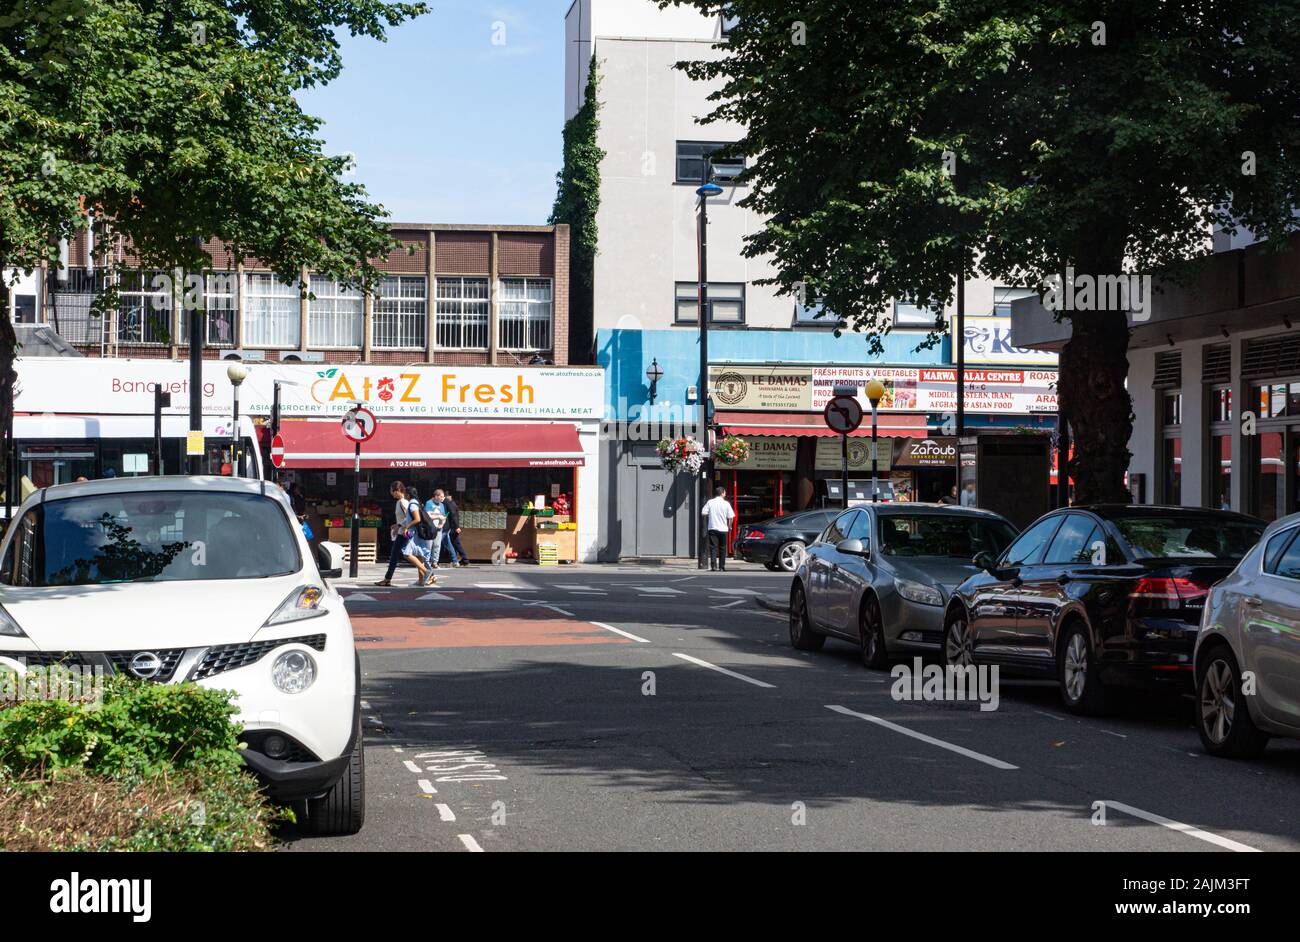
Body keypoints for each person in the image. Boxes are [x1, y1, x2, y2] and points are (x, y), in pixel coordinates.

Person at [373, 481, 431, 587]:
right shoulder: (403, 502)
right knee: (398, 556)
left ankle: (427, 573)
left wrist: (401, 527)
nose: (391, 493)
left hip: (405, 533)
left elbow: (409, 518)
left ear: (398, 490)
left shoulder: (402, 502)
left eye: (392, 491)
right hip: (403, 531)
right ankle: (422, 577)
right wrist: (397, 525)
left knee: (408, 554)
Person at [701, 485, 735, 572]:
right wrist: (730, 526)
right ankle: (722, 566)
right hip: (723, 529)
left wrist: (711, 515)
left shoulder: (710, 502)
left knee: (713, 547)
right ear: (722, 493)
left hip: (712, 528)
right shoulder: (726, 503)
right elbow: (731, 517)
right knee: (723, 548)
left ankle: (713, 566)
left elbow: (703, 512)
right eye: (725, 492)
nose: (725, 494)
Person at [434, 487, 469, 567]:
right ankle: (456, 560)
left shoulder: (447, 503)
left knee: (441, 543)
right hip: (449, 526)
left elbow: (453, 515)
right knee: (450, 543)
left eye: (443, 496)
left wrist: (456, 526)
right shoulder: (450, 503)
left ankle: (461, 559)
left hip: (449, 527)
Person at [422, 491, 449, 569]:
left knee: (437, 545)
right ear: (436, 496)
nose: (443, 498)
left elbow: (444, 516)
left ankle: (435, 562)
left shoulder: (442, 505)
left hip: (438, 528)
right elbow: (427, 516)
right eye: (441, 497)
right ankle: (426, 562)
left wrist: (442, 524)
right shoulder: (429, 503)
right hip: (430, 528)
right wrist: (438, 517)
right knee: (428, 546)